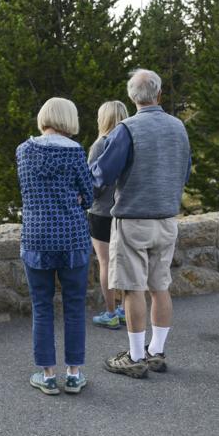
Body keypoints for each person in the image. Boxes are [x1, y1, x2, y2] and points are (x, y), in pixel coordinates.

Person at [91, 69, 191, 378]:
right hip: (166, 219)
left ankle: (135, 357)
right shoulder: (179, 128)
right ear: (159, 95)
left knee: (133, 289)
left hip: (133, 219)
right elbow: (185, 172)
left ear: (132, 98)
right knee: (160, 288)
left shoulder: (127, 129)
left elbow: (101, 175)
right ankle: (156, 352)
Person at [16, 97, 93, 395]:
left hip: (36, 237)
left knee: (41, 307)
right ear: (69, 119)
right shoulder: (76, 153)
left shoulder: (23, 151)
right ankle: (74, 374)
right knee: (74, 307)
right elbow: (89, 195)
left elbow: (27, 192)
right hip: (72, 237)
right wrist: (75, 199)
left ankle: (48, 376)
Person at [87, 100, 129, 329]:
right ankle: (124, 308)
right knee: (122, 262)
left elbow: (93, 182)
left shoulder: (100, 144)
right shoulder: (129, 143)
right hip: (124, 211)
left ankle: (110, 312)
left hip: (102, 211)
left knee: (106, 263)